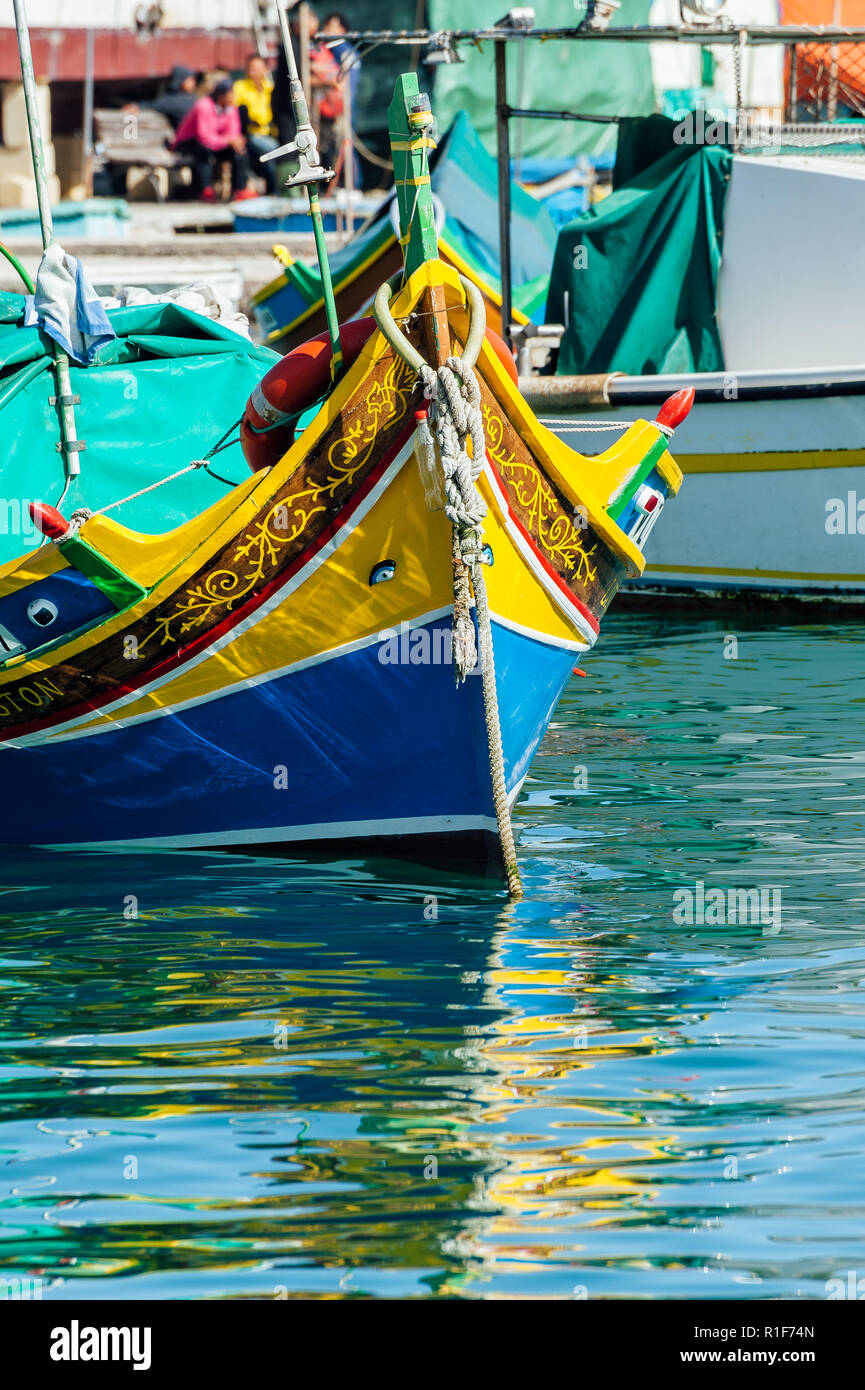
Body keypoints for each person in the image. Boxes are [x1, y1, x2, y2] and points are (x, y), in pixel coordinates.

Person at [273, 7, 342, 169]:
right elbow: (300, 77)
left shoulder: (305, 45)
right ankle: (289, 183)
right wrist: (327, 82)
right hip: (287, 106)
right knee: (291, 144)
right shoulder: (290, 46)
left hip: (303, 106)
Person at [172, 78, 257, 202]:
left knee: (239, 151)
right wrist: (228, 141)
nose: (233, 97)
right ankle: (206, 190)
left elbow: (233, 132)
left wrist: (235, 142)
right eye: (230, 94)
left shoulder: (231, 108)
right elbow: (204, 137)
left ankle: (239, 189)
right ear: (220, 96)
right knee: (203, 149)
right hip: (188, 143)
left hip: (215, 142)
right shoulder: (204, 105)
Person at [321, 12, 362, 190]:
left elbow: (348, 83)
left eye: (333, 27)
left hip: (344, 108)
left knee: (346, 146)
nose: (328, 31)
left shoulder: (343, 51)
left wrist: (343, 107)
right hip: (334, 107)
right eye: (327, 26)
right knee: (334, 146)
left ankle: (353, 186)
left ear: (343, 30)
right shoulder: (331, 50)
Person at [233, 54, 279, 194]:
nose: (256, 72)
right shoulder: (240, 87)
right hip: (250, 133)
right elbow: (238, 112)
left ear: (265, 69)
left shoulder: (270, 88)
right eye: (252, 69)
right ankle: (273, 190)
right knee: (272, 152)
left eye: (259, 68)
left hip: (270, 133)